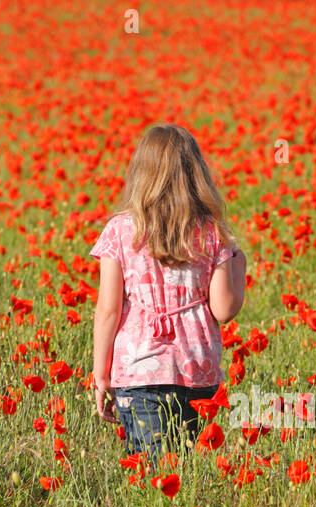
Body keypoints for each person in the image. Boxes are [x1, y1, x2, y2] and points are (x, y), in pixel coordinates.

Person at [90, 124, 246, 461]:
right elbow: (224, 310)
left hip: (138, 371)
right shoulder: (210, 232)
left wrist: (101, 374)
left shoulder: (120, 230)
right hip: (197, 371)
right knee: (188, 469)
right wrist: (240, 267)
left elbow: (108, 311)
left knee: (153, 473)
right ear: (196, 175)